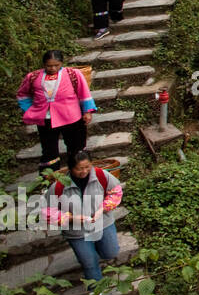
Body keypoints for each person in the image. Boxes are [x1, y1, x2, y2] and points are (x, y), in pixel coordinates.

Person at [42, 150, 122, 281]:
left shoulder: (101, 175)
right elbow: (48, 211)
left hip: (102, 222)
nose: (84, 171)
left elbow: (115, 192)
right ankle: (95, 290)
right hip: (77, 232)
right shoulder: (59, 186)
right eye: (79, 169)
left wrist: (102, 209)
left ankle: (94, 249)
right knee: (89, 263)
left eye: (87, 167)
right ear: (71, 168)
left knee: (110, 252)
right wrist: (71, 218)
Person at [16, 50, 95, 172]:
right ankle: (50, 180)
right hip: (46, 120)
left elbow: (83, 92)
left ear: (61, 63)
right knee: (49, 151)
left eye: (56, 65)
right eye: (49, 65)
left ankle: (78, 175)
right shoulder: (33, 77)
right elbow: (22, 94)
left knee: (76, 148)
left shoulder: (73, 74)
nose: (53, 68)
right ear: (43, 64)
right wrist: (30, 110)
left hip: (72, 118)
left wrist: (87, 111)